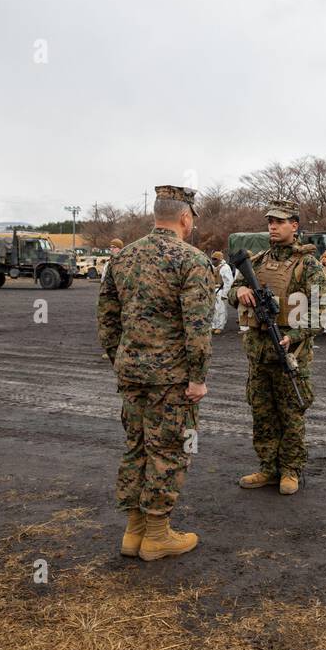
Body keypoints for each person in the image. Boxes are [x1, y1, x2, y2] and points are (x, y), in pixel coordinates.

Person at [97, 185, 215, 561]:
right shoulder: (191, 260)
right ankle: (157, 535)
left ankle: (133, 533)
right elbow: (198, 328)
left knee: (135, 449)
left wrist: (122, 360)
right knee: (168, 452)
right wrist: (197, 377)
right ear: (185, 217)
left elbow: (107, 319)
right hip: (171, 379)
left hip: (131, 375)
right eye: (192, 218)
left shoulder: (123, 258)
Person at [230, 199, 325, 495]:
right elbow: (231, 291)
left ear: (294, 226)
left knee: (291, 414)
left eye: (280, 221)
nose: (273, 226)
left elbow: (319, 308)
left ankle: (290, 470)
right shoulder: (256, 262)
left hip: (289, 353)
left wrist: (295, 335)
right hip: (259, 352)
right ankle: (268, 467)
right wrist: (241, 290)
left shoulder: (308, 264)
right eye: (270, 221)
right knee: (262, 413)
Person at [210, 250, 234, 335]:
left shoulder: (225, 268)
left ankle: (220, 326)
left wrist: (225, 293)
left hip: (221, 290)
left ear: (219, 260)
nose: (213, 260)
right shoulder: (213, 267)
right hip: (213, 290)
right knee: (213, 309)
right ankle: (213, 325)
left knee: (221, 309)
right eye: (212, 258)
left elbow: (228, 281)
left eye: (215, 259)